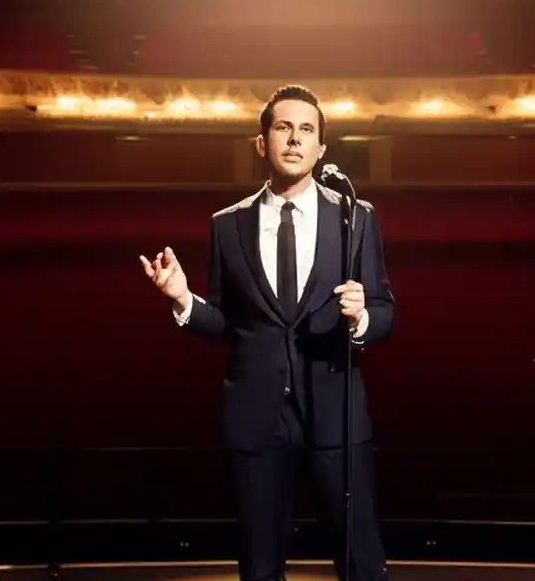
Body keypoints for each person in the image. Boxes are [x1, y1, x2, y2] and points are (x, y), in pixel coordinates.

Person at [140, 84, 396, 581]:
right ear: (262, 143)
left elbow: (386, 310)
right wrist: (182, 301)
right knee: (259, 569)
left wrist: (362, 318)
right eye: (283, 128)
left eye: (306, 131)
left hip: (335, 415)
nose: (295, 140)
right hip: (256, 419)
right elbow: (225, 322)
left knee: (362, 565)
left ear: (322, 148)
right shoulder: (226, 225)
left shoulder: (355, 218)